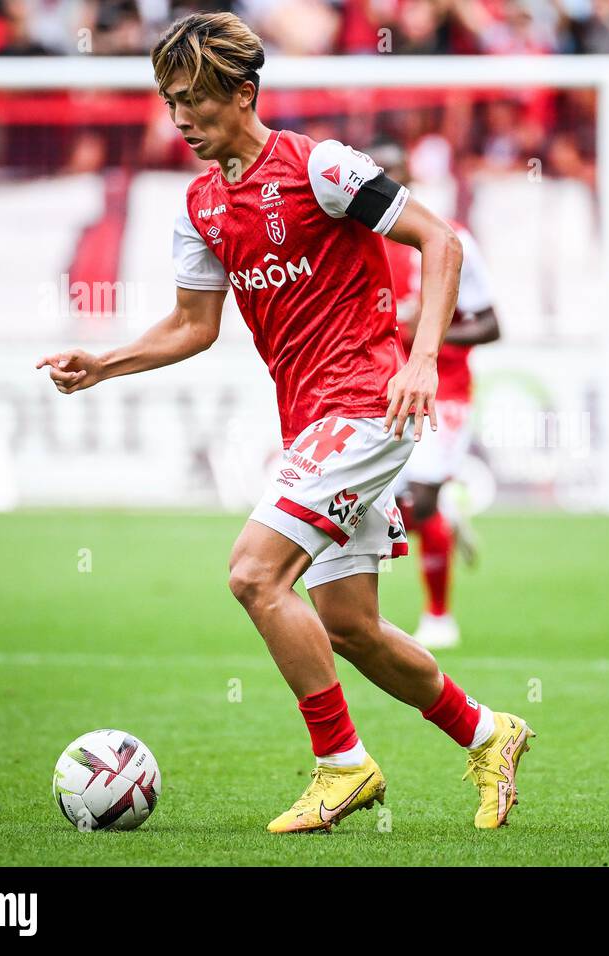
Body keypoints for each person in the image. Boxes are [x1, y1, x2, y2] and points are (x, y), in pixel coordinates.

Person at [36, 12, 533, 833]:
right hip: (313, 422)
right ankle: (488, 734)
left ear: (244, 92)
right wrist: (104, 364)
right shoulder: (199, 206)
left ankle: (342, 764)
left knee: (253, 575)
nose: (183, 119)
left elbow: (438, 241)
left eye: (195, 100)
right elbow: (193, 328)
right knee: (351, 627)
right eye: (171, 103)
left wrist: (420, 360)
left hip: (368, 406)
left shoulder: (322, 167)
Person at [373, 143, 501, 650]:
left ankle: (439, 617)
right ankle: (441, 520)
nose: (383, 183)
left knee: (420, 499)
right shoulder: (351, 242)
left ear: (410, 180)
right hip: (377, 387)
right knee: (383, 504)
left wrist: (428, 333)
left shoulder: (448, 239)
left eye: (394, 174)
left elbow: (492, 325)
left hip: (441, 388)